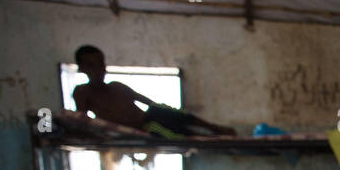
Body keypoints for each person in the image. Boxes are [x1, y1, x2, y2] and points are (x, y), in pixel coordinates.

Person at [71, 45, 235, 137]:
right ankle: (214, 138)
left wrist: (160, 108)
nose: (99, 69)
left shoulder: (116, 86)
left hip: (151, 114)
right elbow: (83, 119)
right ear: (82, 69)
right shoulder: (82, 92)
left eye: (101, 64)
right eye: (91, 65)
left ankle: (217, 129)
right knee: (183, 136)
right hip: (145, 127)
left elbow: (144, 100)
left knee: (178, 114)